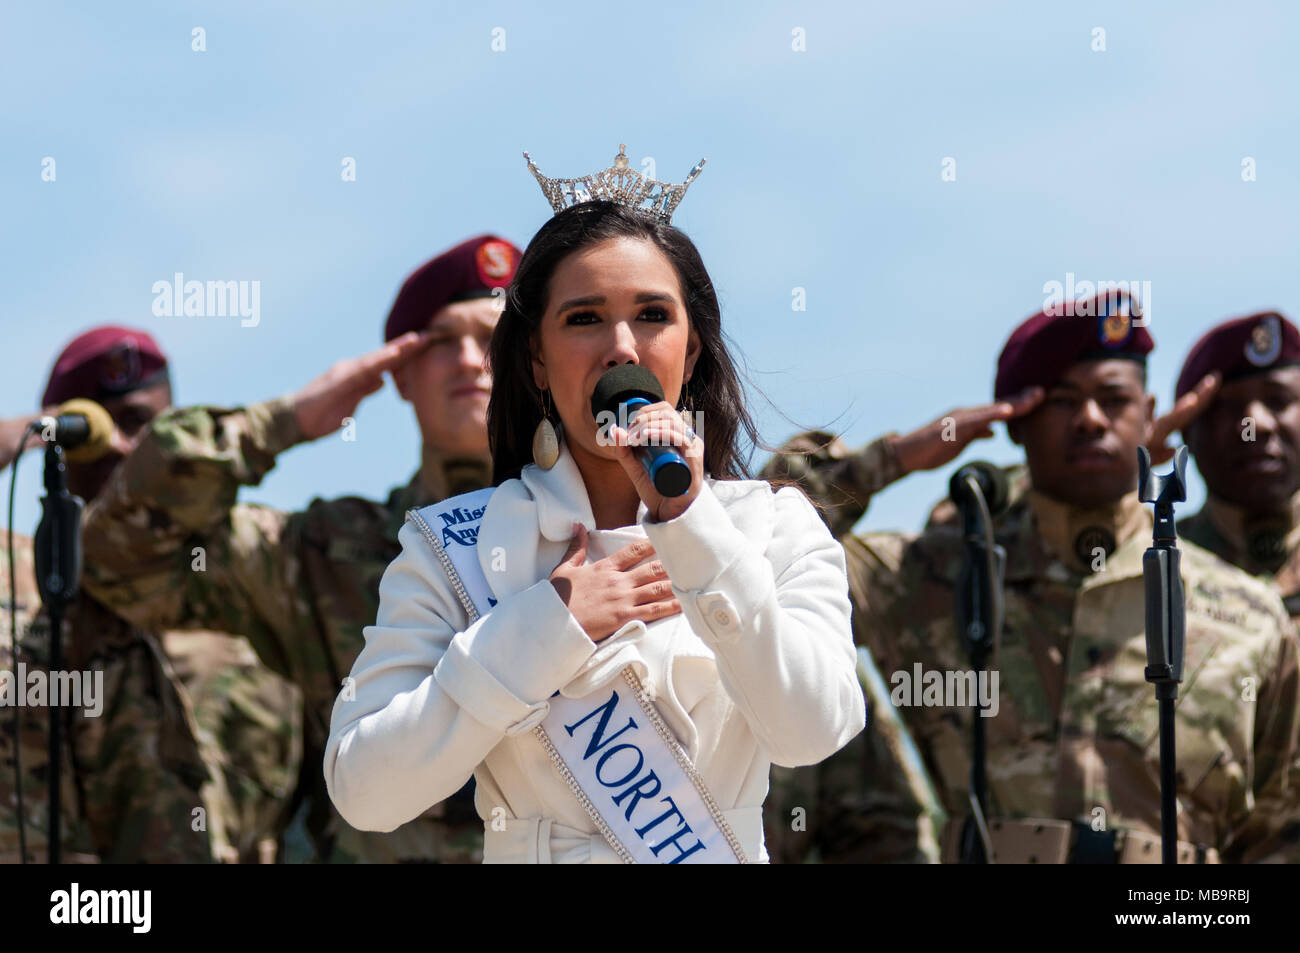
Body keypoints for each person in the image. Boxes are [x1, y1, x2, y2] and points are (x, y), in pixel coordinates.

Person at [324, 161, 865, 864]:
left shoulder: (772, 527)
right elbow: (365, 790)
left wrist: (695, 528)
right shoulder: (452, 546)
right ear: (537, 362)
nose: (621, 348)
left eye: (652, 315)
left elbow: (814, 729)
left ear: (691, 348)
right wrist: (546, 626)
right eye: (584, 319)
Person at [763, 291, 1300, 863]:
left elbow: (1277, 833)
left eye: (1113, 400)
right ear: (1015, 425)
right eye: (1063, 402)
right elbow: (763, 549)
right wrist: (894, 458)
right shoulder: (925, 578)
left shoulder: (1249, 614)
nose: (1091, 419)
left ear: (1149, 416)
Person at [79, 235, 521, 862]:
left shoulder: (604, 530)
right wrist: (283, 422)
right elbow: (117, 558)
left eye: (495, 340)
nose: (470, 361)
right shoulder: (324, 552)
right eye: (440, 342)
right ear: (396, 374)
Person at [1, 328, 234, 863]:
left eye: (138, 425)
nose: (116, 445)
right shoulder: (8, 575)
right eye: (93, 424)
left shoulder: (239, 587)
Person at [1168, 312, 1300, 619]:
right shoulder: (1152, 568)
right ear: (1188, 430)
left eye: (1278, 401)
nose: (1256, 424)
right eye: (1227, 407)